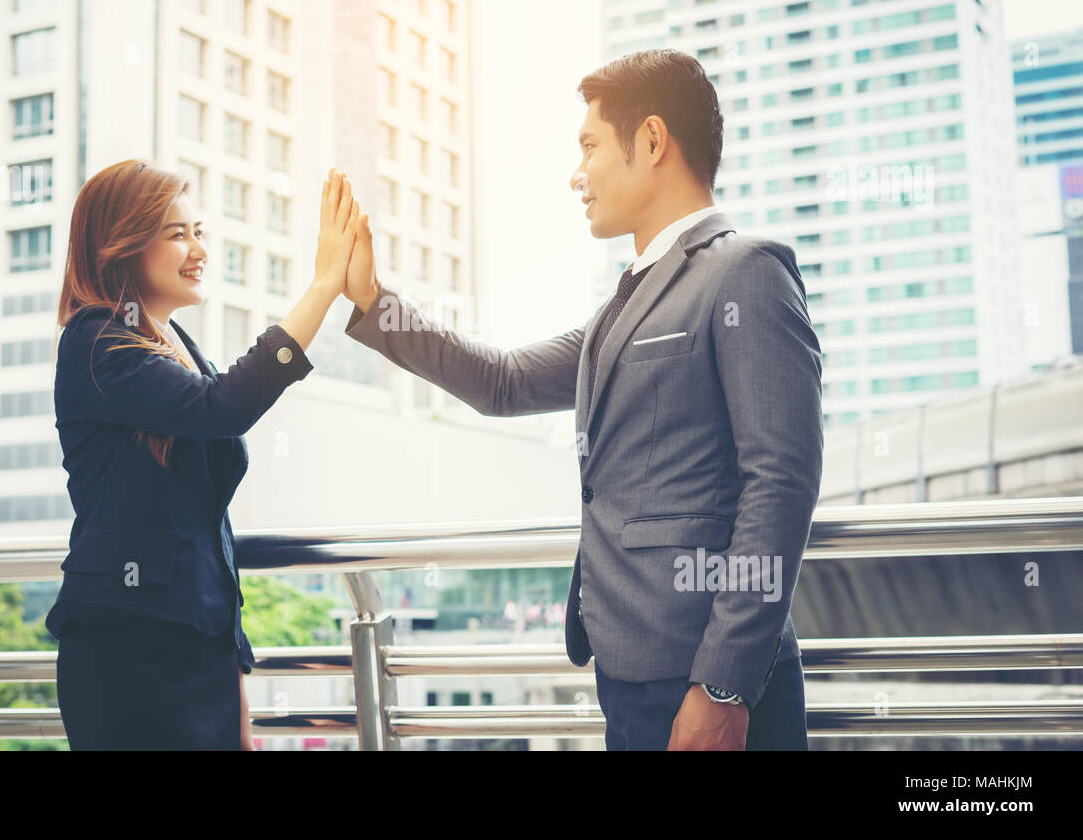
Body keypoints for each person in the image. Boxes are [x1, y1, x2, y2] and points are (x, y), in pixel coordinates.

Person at [339, 50, 823, 750]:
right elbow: (501, 380)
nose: (577, 174)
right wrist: (374, 304)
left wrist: (724, 684)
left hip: (706, 679)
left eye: (590, 146)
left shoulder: (745, 272)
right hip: (628, 676)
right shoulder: (619, 311)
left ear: (652, 141)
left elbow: (781, 482)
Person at [46, 160, 358, 749]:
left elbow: (203, 526)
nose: (199, 250)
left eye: (199, 232)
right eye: (177, 233)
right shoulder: (96, 341)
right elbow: (223, 409)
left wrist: (232, 667)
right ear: (123, 244)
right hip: (129, 654)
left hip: (197, 650)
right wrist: (322, 287)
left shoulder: (176, 346)